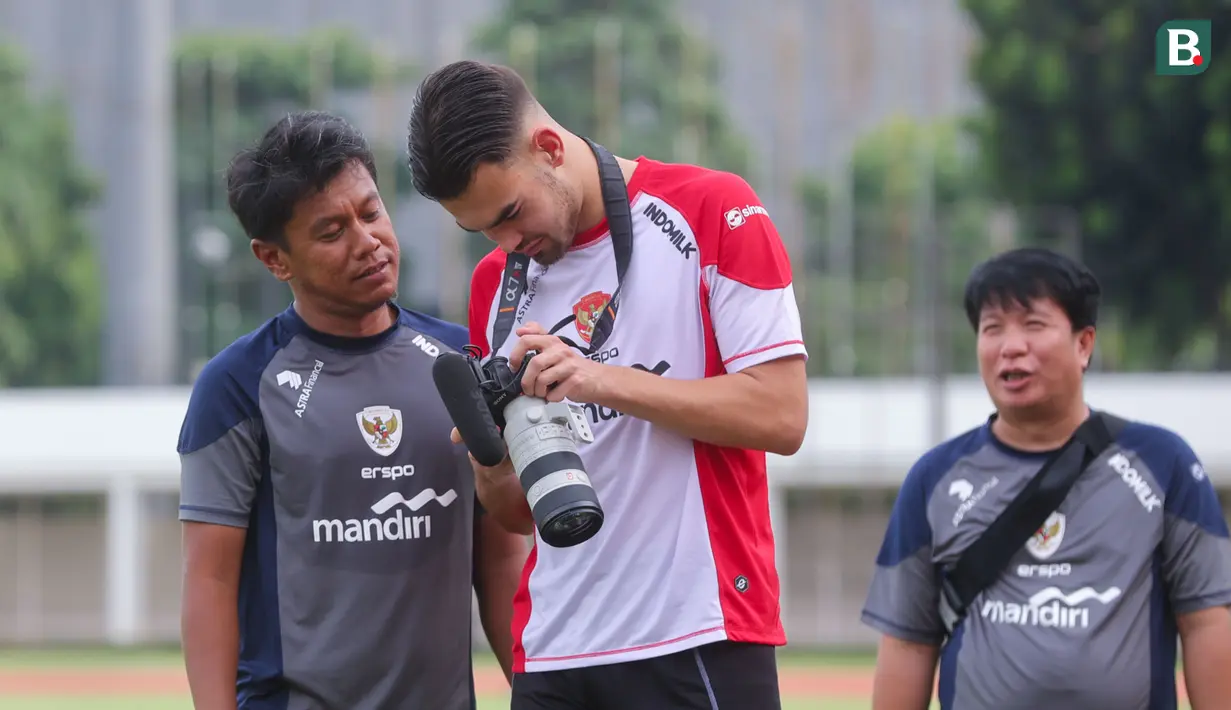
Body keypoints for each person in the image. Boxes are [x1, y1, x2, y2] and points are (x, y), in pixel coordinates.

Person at [405, 60, 810, 710]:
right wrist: (489, 458)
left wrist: (599, 380)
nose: (509, 242)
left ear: (549, 147)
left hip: (697, 632)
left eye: (511, 212)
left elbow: (781, 414)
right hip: (555, 648)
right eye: (481, 229)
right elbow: (514, 514)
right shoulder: (496, 283)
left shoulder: (714, 210)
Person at [176, 110, 528, 710]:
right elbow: (210, 579)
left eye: (371, 212)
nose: (368, 242)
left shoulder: (462, 357)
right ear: (274, 259)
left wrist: (534, 690)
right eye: (331, 231)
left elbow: (499, 559)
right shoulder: (236, 385)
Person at [860, 246, 1231, 710]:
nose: (1010, 346)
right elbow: (907, 641)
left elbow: (1206, 621)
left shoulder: (1162, 462)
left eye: (1033, 325)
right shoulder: (934, 478)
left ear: (1084, 344)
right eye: (992, 328)